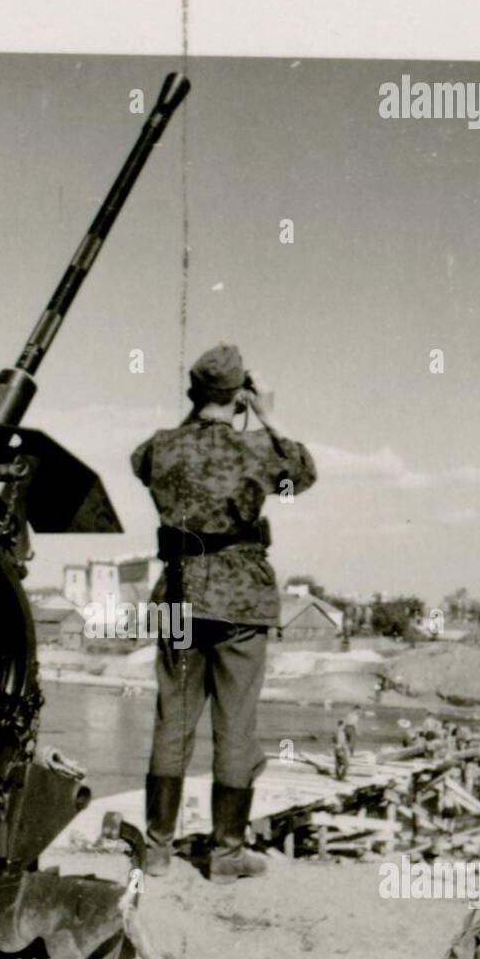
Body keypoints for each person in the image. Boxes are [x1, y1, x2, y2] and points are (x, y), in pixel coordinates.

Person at [131, 344, 317, 883]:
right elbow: (301, 476)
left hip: (180, 594)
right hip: (241, 595)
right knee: (235, 726)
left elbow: (141, 464)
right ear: (241, 391)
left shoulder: (161, 448)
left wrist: (202, 409)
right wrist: (265, 414)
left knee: (173, 719)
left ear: (193, 393)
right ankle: (228, 852)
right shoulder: (257, 450)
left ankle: (159, 849)